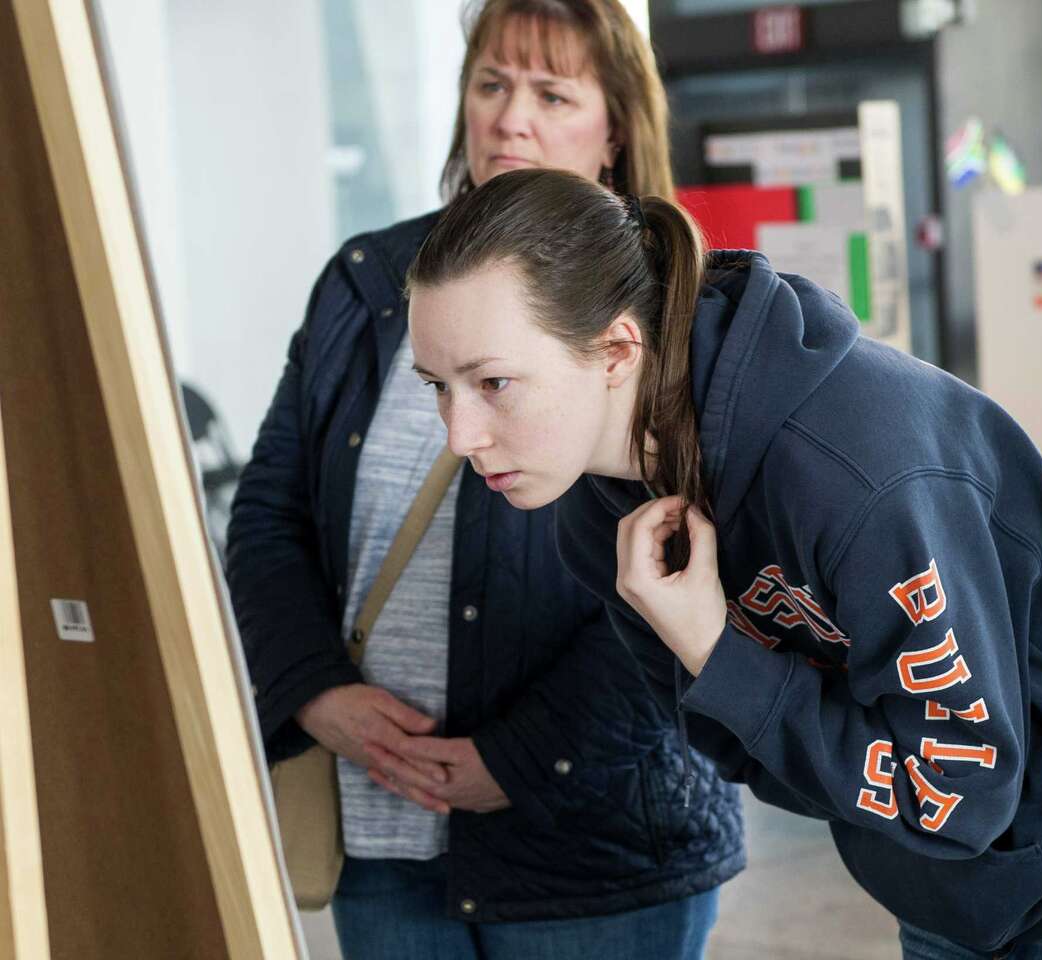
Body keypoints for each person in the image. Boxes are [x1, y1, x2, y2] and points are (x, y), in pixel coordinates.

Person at [404, 166, 1042, 959]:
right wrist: (736, 678)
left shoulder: (858, 470)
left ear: (616, 348)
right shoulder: (595, 508)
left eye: (495, 382)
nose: (460, 435)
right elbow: (758, 758)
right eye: (439, 386)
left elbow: (956, 796)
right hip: (938, 881)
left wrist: (719, 651)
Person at [225, 3, 744, 959]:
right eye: (492, 85)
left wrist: (519, 757)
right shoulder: (366, 279)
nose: (513, 119)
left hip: (595, 847)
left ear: (616, 127)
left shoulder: (675, 306)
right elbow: (267, 517)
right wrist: (315, 693)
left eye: (553, 93)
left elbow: (704, 568)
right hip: (384, 832)